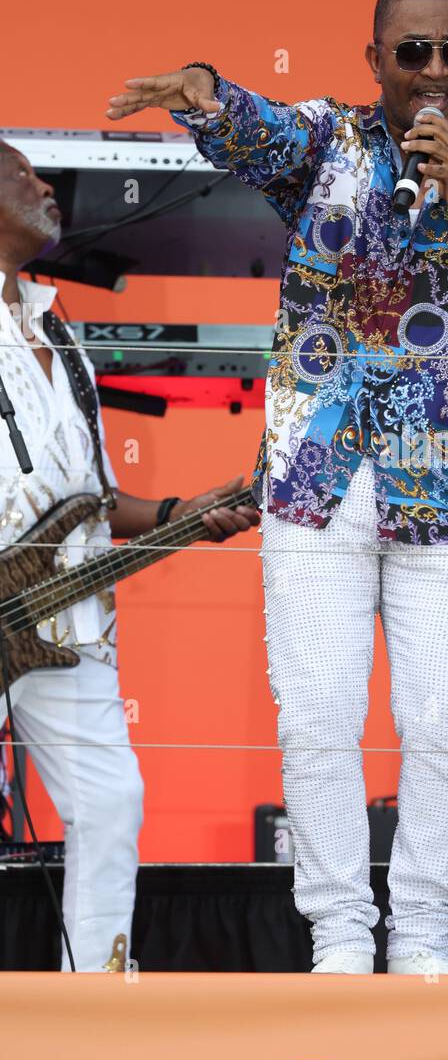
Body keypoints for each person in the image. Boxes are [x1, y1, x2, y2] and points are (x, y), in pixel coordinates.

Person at [105, 0, 448, 975]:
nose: (435, 72)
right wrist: (203, 86)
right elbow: (255, 130)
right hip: (316, 488)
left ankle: (420, 943)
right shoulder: (328, 143)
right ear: (374, 60)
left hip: (445, 494)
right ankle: (336, 939)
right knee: (318, 716)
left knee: (443, 721)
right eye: (412, 52)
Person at [0, 140, 261, 971]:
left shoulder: (59, 330)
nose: (45, 187)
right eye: (20, 175)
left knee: (111, 803)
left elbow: (97, 498)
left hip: (62, 619)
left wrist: (188, 514)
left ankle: (96, 998)